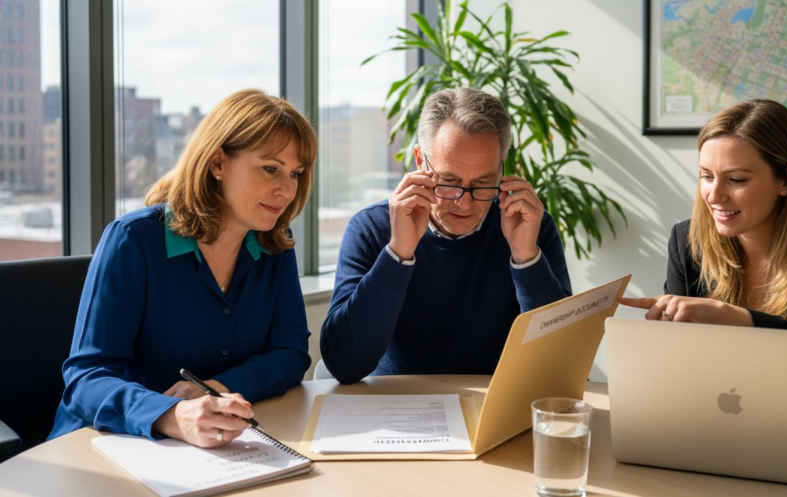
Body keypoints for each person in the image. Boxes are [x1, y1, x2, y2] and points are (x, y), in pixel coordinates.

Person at [49, 89, 317, 448]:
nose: (286, 190)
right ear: (218, 163)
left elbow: (290, 353)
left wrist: (217, 389)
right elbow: (86, 378)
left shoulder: (274, 244)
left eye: (296, 174)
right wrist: (172, 414)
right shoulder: (133, 240)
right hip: (105, 446)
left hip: (215, 445)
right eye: (270, 169)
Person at [321, 87, 572, 385]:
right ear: (419, 161)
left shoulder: (530, 226)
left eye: (483, 183)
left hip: (497, 411)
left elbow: (561, 361)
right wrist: (399, 253)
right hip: (396, 412)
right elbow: (344, 364)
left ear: (502, 169)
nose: (464, 203)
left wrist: (526, 258)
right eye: (449, 181)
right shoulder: (371, 229)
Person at [620, 99, 787, 335]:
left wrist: (730, 316)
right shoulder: (686, 240)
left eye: (736, 179)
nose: (714, 196)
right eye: (706, 176)